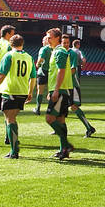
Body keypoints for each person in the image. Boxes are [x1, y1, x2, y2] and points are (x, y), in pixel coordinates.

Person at [0, 34, 36, 160]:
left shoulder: (9, 56)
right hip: (23, 92)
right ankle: (14, 145)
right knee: (12, 118)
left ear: (10, 44)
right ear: (22, 44)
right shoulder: (29, 57)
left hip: (10, 91)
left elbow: (2, 75)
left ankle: (14, 150)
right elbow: (33, 77)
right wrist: (30, 92)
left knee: (10, 119)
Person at [40, 27, 76, 159]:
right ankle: (64, 151)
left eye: (50, 37)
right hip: (62, 89)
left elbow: (61, 71)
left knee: (49, 118)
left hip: (60, 90)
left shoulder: (59, 51)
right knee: (61, 120)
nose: (47, 40)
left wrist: (55, 90)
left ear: (57, 38)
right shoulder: (57, 51)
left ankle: (66, 145)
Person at [61, 33, 96, 138]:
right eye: (64, 43)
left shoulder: (72, 53)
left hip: (72, 85)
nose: (66, 44)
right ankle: (59, 129)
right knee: (61, 108)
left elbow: (72, 70)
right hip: (65, 85)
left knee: (74, 107)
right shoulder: (60, 52)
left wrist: (62, 77)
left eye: (67, 42)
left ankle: (89, 128)